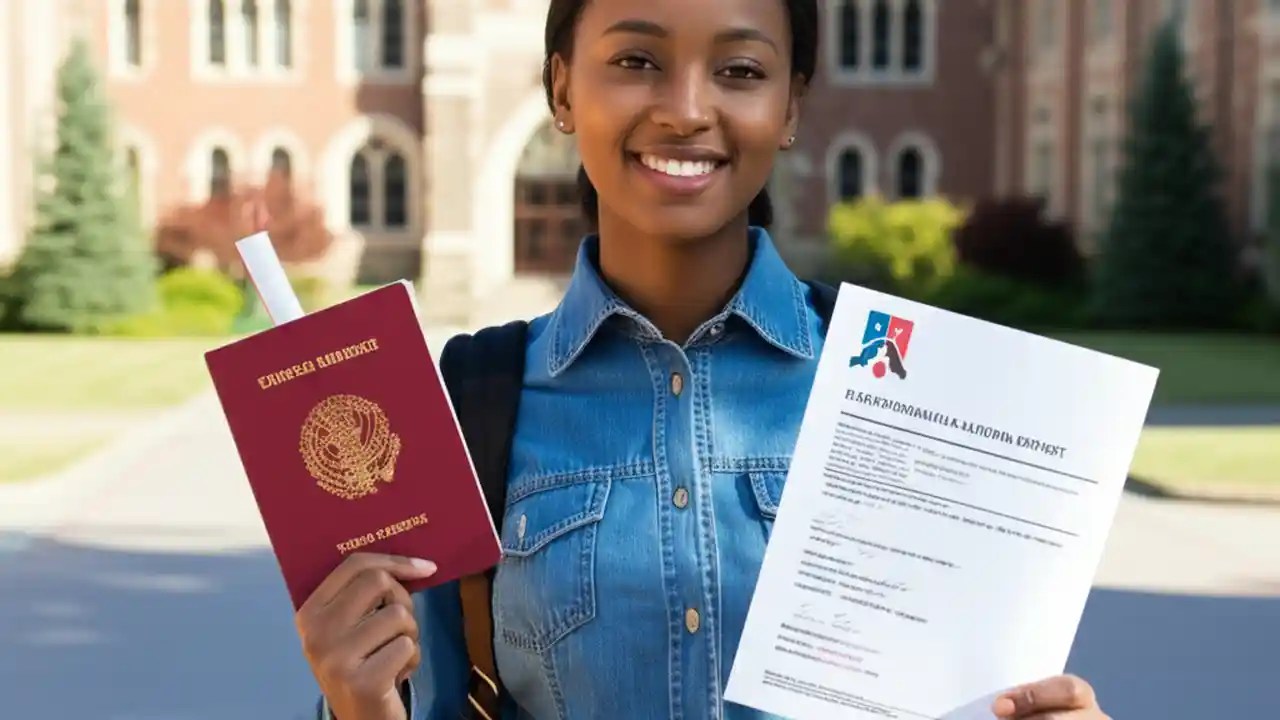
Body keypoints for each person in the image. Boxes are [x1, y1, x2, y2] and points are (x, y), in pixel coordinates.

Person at [296, 1, 1115, 718]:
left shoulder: (913, 393)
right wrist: (362, 707)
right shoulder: (471, 404)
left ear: (790, 102)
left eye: (740, 69)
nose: (687, 109)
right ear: (561, 89)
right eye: (636, 60)